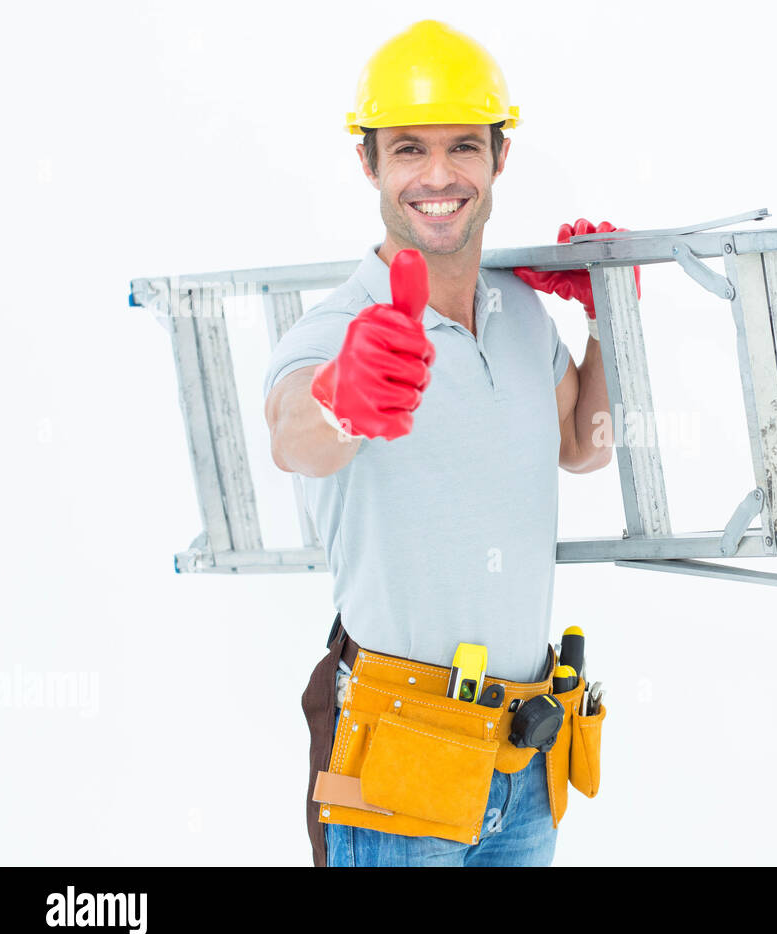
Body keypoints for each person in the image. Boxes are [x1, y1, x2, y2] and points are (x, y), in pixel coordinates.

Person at [262, 20, 629, 867]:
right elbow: (293, 434)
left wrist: (613, 321)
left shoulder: (522, 313)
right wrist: (346, 399)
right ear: (369, 165)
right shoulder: (338, 330)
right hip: (398, 766)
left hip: (525, 754)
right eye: (407, 151)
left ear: (500, 157)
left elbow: (587, 445)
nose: (438, 176)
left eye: (464, 146)